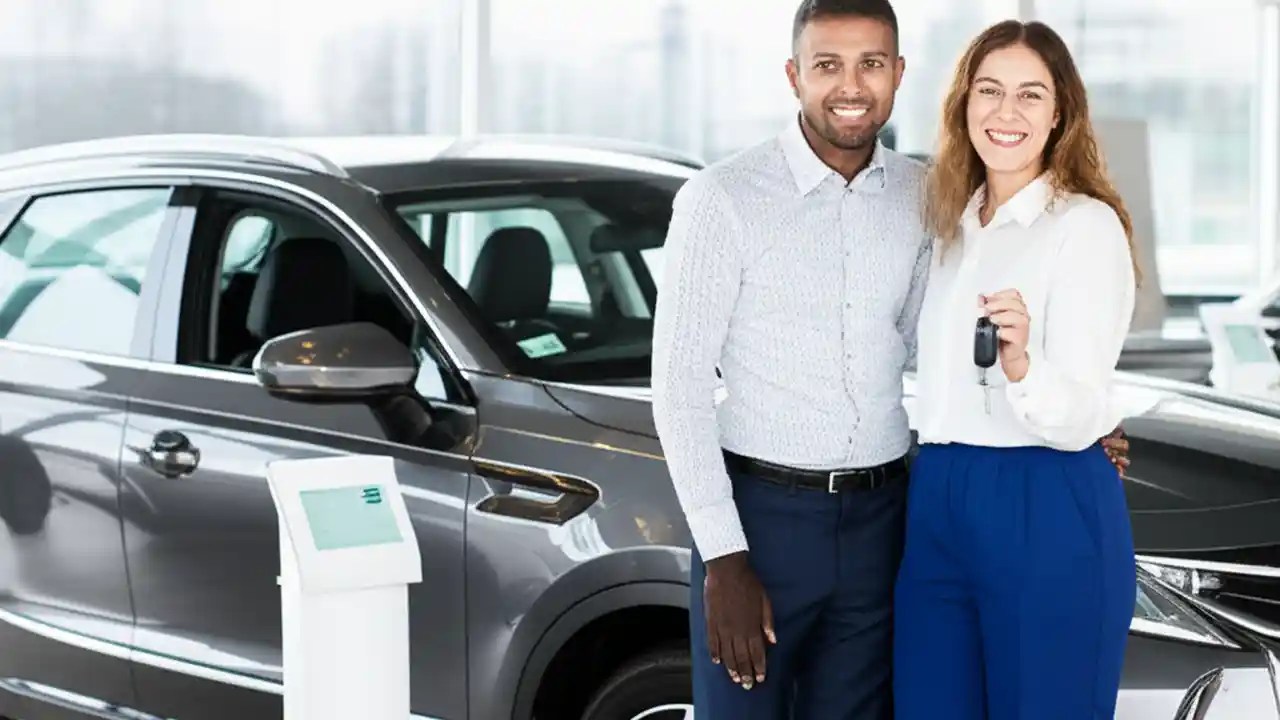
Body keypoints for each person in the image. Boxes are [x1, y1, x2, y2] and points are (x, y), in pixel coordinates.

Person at [650, 1, 1131, 718]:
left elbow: (917, 342)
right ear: (793, 75)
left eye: (871, 63)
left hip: (887, 517)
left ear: (899, 74)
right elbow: (679, 388)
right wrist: (722, 555)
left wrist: (1076, 415)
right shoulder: (726, 198)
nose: (851, 85)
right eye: (827, 65)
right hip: (770, 520)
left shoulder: (926, 196)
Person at [892, 19, 1138, 720]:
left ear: (1059, 113)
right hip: (937, 496)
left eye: (1031, 95)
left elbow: (1085, 401)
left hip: (1045, 500)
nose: (1007, 112)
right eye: (990, 90)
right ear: (962, 104)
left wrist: (1023, 364)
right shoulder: (947, 222)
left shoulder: (1083, 227)